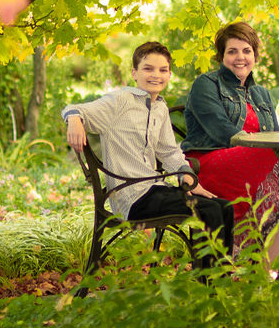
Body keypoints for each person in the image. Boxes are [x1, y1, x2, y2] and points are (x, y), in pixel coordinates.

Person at [62, 41, 235, 278]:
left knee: (223, 206)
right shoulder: (120, 101)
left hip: (154, 190)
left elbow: (168, 151)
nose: (156, 75)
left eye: (163, 70)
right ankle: (212, 287)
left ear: (169, 74)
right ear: (134, 73)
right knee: (208, 211)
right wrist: (73, 120)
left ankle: (216, 279)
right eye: (148, 69)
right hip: (131, 196)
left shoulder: (160, 108)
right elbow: (75, 109)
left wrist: (187, 174)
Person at [182, 20, 279, 265]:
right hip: (210, 164)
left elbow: (273, 137)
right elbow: (221, 131)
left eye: (247, 51)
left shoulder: (262, 94)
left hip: (258, 169)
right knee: (270, 151)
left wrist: (268, 146)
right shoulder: (207, 85)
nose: (240, 57)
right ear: (221, 56)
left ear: (255, 55)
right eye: (232, 51)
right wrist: (262, 146)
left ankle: (268, 279)